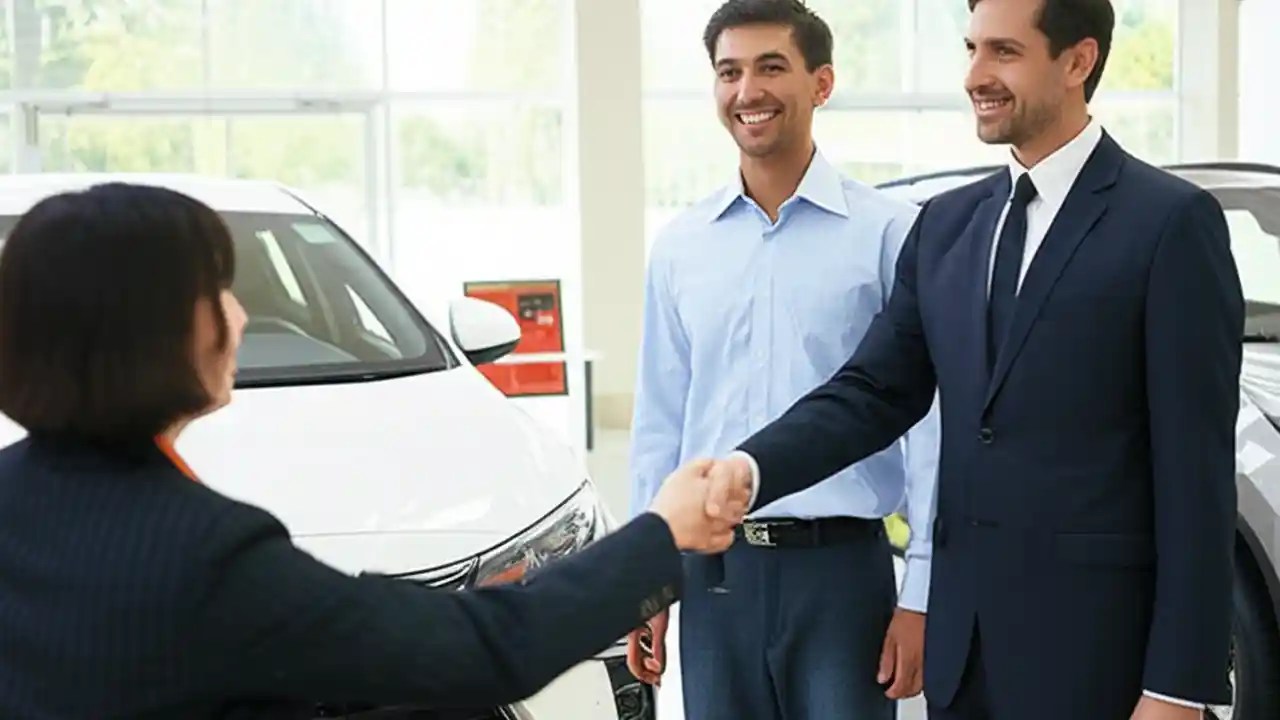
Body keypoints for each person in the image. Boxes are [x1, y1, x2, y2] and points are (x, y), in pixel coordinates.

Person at [0, 182, 752, 719]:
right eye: (221, 292)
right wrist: (663, 533)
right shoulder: (201, 555)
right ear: (157, 336)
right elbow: (489, 649)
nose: (240, 315)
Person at [697, 0, 1244, 718]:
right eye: (971, 49)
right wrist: (752, 466)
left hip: (1098, 661)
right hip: (966, 661)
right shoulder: (950, 225)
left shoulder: (1168, 224)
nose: (975, 76)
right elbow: (873, 392)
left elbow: (1196, 482)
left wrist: (1177, 686)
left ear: (1078, 61)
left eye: (1004, 53)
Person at [624, 2, 940, 718]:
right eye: (729, 72)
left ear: (821, 83)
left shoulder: (889, 235)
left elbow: (929, 429)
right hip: (714, 578)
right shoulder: (681, 247)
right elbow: (659, 426)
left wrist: (921, 593)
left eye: (771, 67)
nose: (747, 92)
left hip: (842, 578)